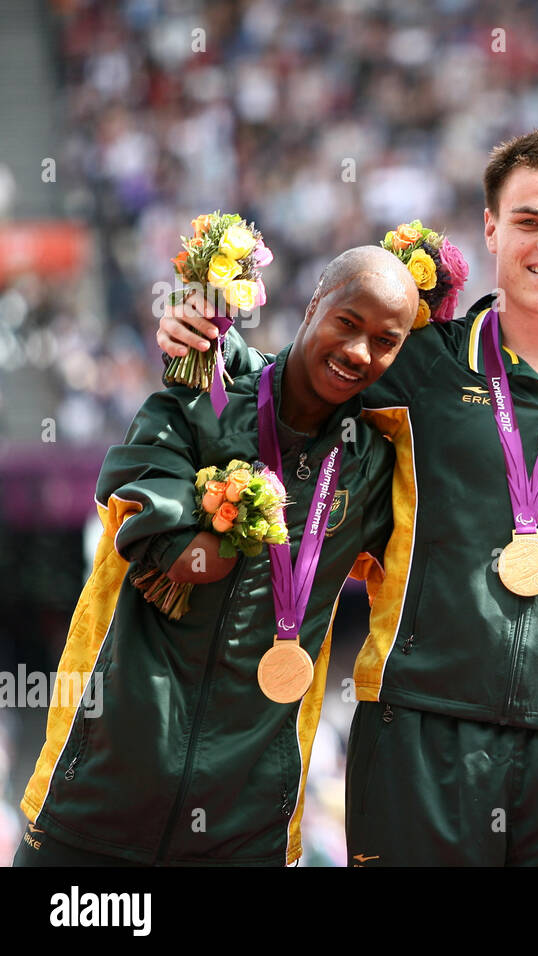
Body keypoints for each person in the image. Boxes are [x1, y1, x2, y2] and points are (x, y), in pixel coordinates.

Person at [157, 131, 538, 866]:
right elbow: (287, 398)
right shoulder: (421, 363)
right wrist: (200, 340)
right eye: (529, 221)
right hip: (416, 731)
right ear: (491, 228)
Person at [16, 246, 420, 865]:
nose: (360, 352)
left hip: (244, 830)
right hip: (96, 807)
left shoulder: (372, 464)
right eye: (347, 322)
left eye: (386, 341)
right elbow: (167, 546)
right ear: (312, 306)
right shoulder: (206, 399)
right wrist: (224, 530)